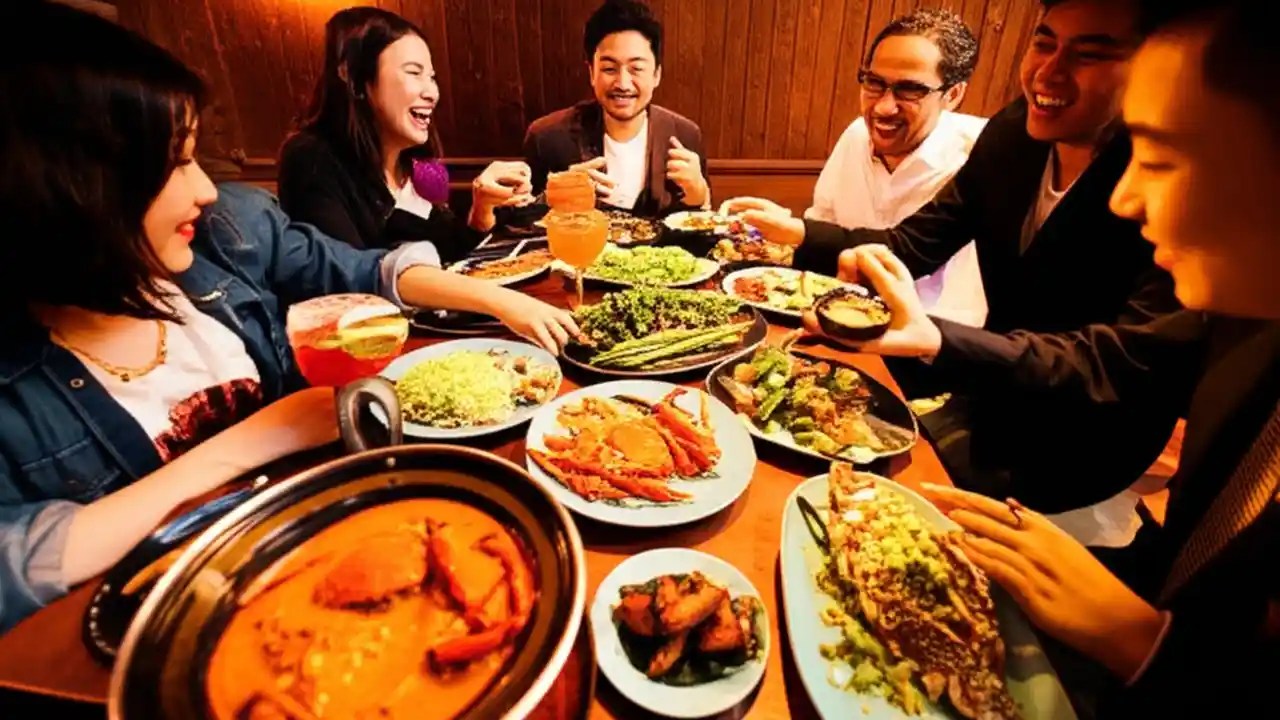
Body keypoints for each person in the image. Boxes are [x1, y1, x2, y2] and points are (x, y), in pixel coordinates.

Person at [0, 1, 577, 632]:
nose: (206, 188)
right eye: (173, 162)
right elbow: (17, 563)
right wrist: (265, 432)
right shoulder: (316, 160)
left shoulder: (424, 169)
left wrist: (498, 277)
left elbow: (398, 260)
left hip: (340, 528)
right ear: (68, 183)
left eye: (433, 76)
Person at [921, 2, 1279, 714]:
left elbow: (1116, 362)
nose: (1125, 197)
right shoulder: (1250, 339)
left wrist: (1139, 640)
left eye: (1161, 156)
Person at [724, 0, 1181, 531]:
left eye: (1090, 54)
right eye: (1044, 42)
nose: (1049, 72)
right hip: (988, 393)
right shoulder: (1015, 135)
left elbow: (1120, 362)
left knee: (866, 512)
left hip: (1080, 438)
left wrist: (935, 340)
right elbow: (913, 242)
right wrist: (801, 233)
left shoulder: (1166, 177)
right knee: (793, 441)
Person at [279, 7, 532, 261]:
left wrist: (482, 209)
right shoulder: (311, 158)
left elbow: (446, 254)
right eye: (414, 73)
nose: (432, 93)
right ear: (355, 78)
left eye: (432, 78)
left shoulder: (423, 167)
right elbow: (352, 275)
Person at [807, 9, 988, 327]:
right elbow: (824, 223)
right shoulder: (856, 135)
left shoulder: (981, 153)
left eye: (910, 90)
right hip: (839, 321)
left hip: (937, 340)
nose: (883, 107)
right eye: (874, 83)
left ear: (953, 94)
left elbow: (908, 252)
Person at [522, 0, 710, 216]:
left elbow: (705, 231)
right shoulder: (548, 137)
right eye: (609, 68)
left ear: (656, 74)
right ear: (592, 72)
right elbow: (519, 226)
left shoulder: (686, 135)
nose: (623, 83)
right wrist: (554, 196)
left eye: (636, 68)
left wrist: (700, 196)